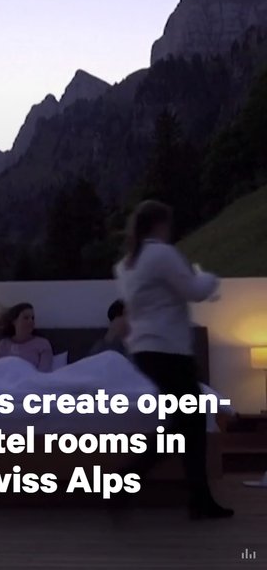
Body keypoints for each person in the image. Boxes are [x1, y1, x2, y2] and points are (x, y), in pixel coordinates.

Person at [114, 200, 234, 520]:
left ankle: (189, 498)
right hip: (169, 350)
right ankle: (132, 482)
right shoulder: (161, 254)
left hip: (145, 351)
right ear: (161, 224)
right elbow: (194, 290)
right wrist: (208, 277)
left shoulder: (128, 264)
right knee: (189, 423)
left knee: (185, 424)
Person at [0, 302, 53, 372]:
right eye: (26, 318)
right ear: (14, 321)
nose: (31, 321)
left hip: (30, 381)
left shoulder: (42, 344)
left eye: (32, 318)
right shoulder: (3, 345)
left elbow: (44, 372)